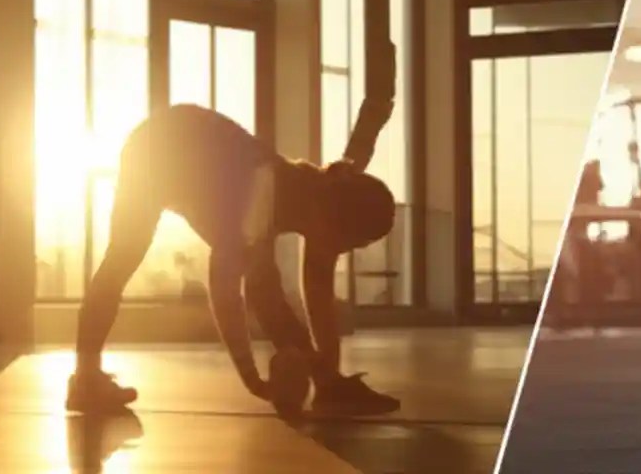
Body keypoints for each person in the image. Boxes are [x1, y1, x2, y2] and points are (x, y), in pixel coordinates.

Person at [66, 103, 400, 417]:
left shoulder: (318, 195)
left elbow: (318, 291)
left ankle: (328, 385)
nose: (341, 253)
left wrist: (328, 378)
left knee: (264, 286)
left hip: (207, 154)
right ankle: (85, 379)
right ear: (327, 220)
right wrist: (252, 379)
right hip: (156, 148)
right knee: (124, 256)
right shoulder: (257, 200)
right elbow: (225, 294)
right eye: (346, 244)